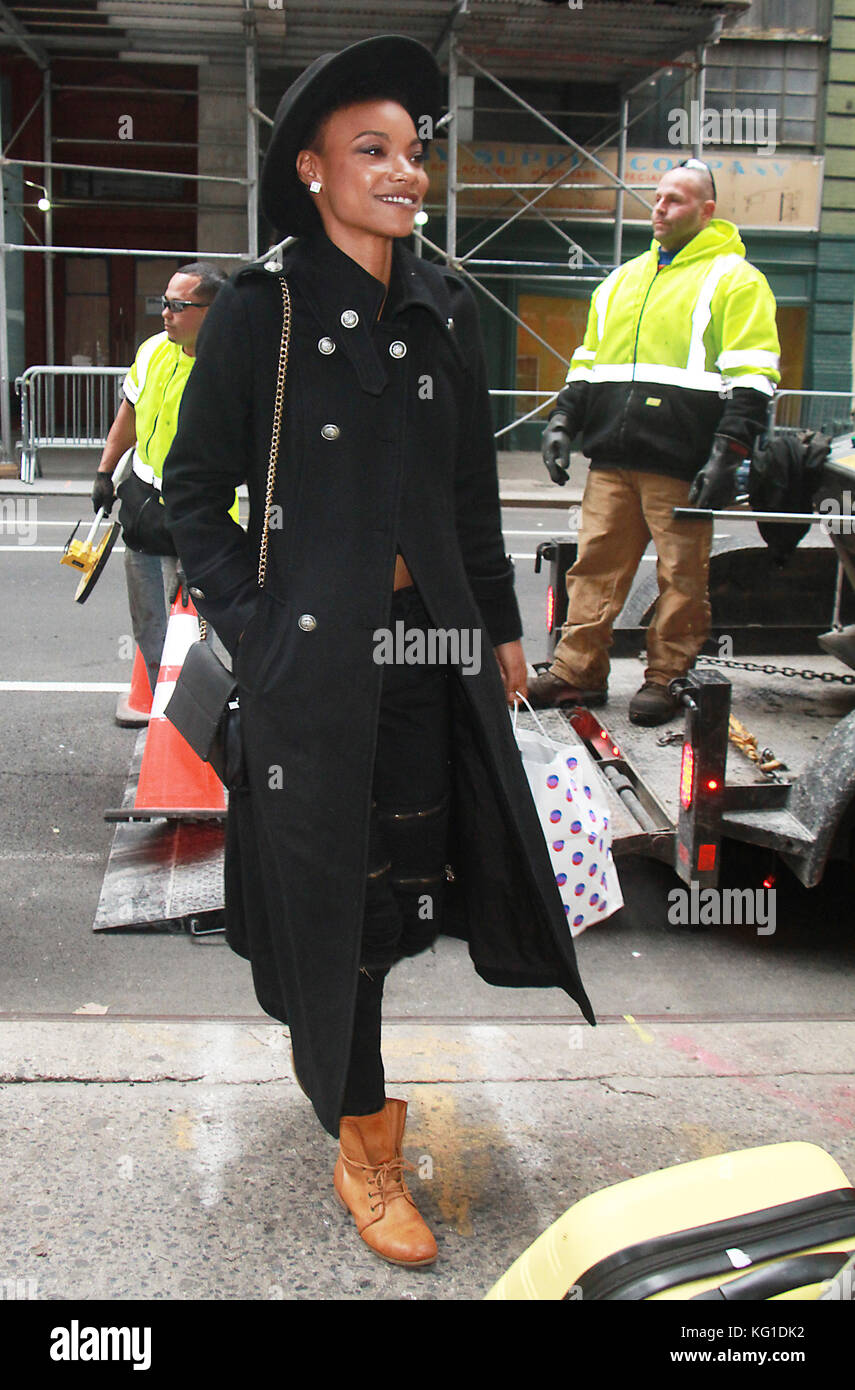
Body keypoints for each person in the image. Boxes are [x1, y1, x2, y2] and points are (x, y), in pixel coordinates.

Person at [162, 35, 594, 1269]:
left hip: (431, 651)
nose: (406, 170)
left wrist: (501, 625)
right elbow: (193, 495)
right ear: (312, 170)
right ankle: (362, 1137)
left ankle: (359, 1087)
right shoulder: (263, 313)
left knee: (411, 883)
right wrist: (257, 632)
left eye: (413, 150)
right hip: (315, 665)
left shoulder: (441, 303)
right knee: (337, 903)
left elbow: (469, 493)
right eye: (374, 150)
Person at [529, 159, 781, 725]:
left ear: (707, 211)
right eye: (658, 197)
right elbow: (589, 363)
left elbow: (753, 374)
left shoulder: (734, 280)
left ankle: (668, 678)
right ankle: (577, 672)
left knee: (681, 578)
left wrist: (727, 453)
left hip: (680, 464)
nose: (659, 209)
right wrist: (563, 422)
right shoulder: (624, 279)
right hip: (614, 459)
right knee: (594, 568)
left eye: (676, 200)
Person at [92, 262, 229, 692]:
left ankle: (203, 723)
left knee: (194, 633)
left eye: (177, 305)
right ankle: (162, 712)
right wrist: (104, 472)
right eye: (164, 303)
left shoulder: (229, 370)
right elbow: (129, 412)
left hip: (199, 520)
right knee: (150, 627)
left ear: (212, 311)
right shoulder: (153, 349)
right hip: (144, 507)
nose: (165, 313)